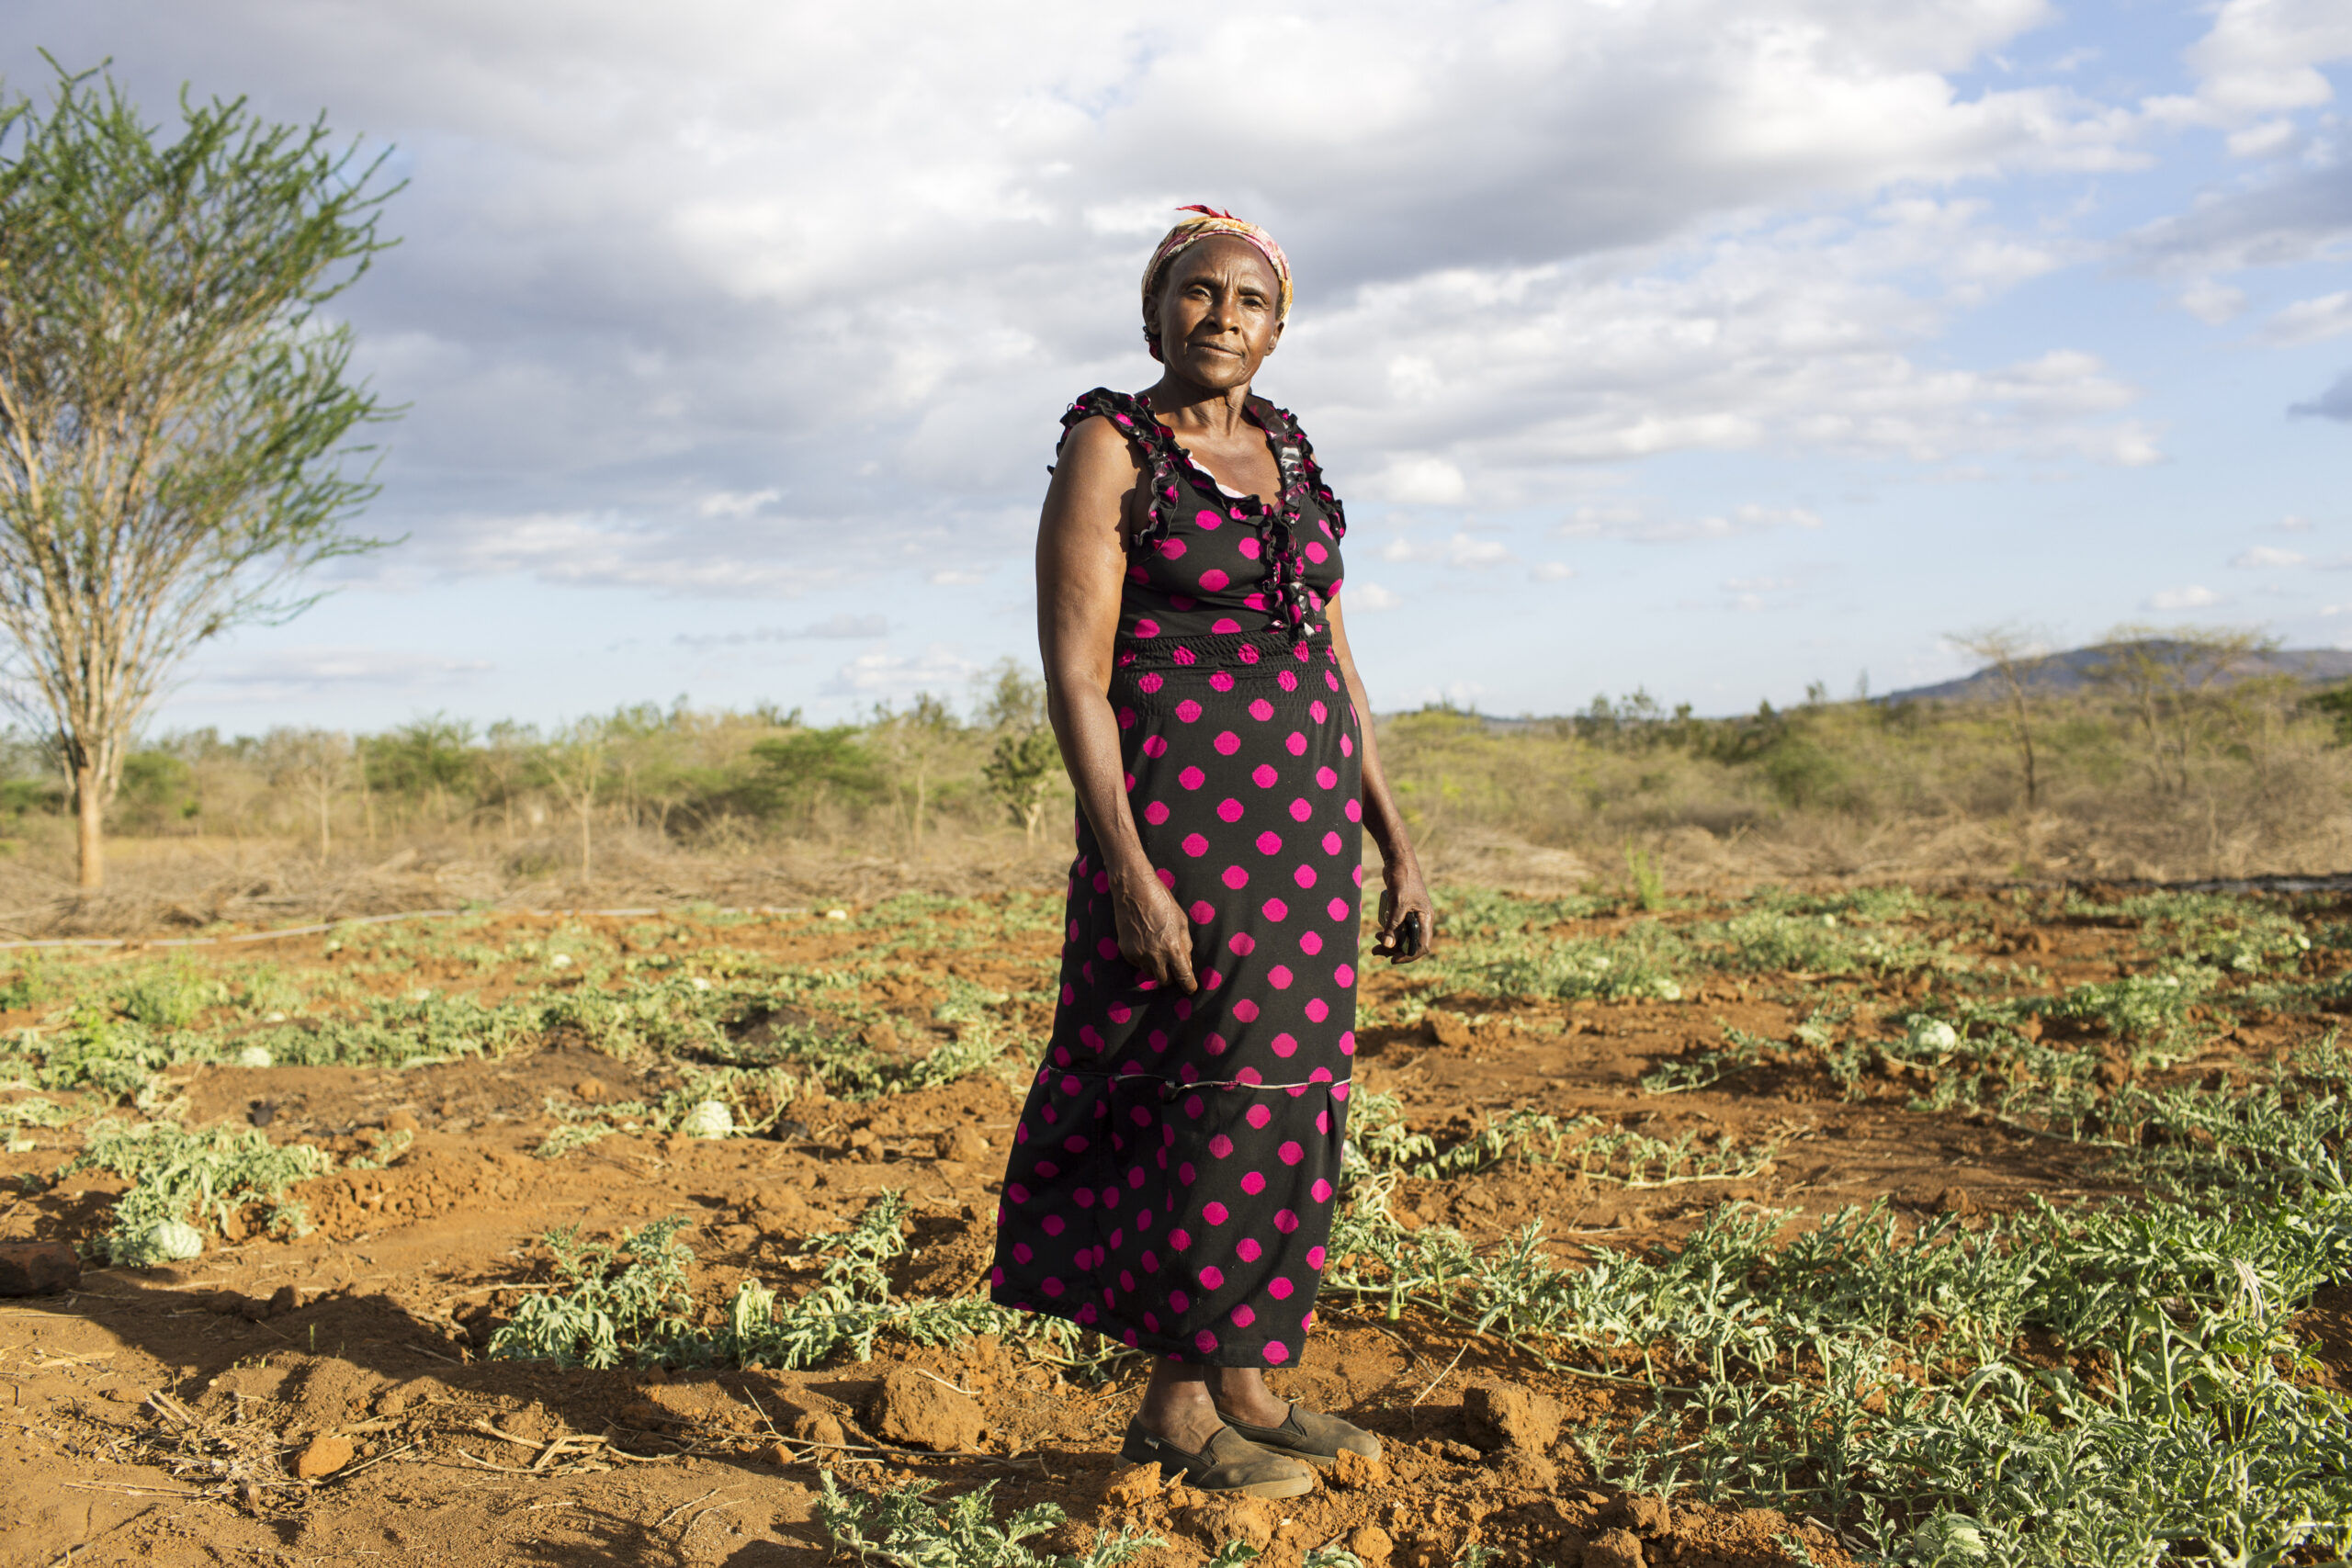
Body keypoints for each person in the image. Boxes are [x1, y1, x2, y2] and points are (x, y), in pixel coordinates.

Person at [989, 207, 1436, 1499]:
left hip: (1304, 840)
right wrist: (1126, 867)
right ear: (1156, 312)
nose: (1222, 314)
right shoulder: (1110, 447)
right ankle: (1175, 1412)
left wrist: (1393, 842)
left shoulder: (1290, 452)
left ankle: (1248, 1377)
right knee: (1203, 1093)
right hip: (1185, 829)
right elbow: (1074, 675)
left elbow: (1338, 670)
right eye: (1198, 293)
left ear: (1278, 328)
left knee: (1295, 1103)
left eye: (1249, 299)